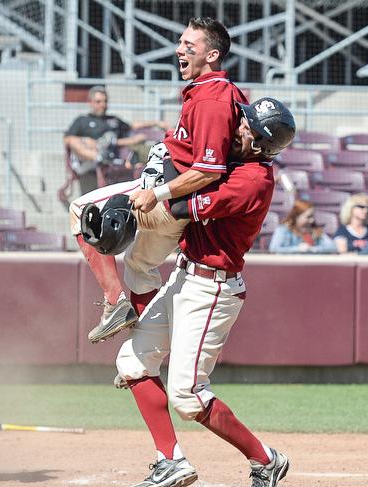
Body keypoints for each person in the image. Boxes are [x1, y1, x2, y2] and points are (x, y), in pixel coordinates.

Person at [115, 98, 294, 487]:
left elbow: (180, 206)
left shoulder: (252, 180)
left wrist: (153, 187)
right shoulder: (227, 159)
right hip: (184, 275)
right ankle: (170, 460)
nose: (240, 127)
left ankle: (266, 460)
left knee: (187, 395)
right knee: (132, 362)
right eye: (244, 120)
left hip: (212, 289)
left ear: (261, 144)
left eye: (249, 127)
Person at [69, 17, 248, 344]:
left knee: (81, 210)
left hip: (169, 195)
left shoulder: (212, 98)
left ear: (212, 55)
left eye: (189, 45)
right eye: (180, 43)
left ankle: (114, 303)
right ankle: (149, 343)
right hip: (179, 202)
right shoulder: (214, 91)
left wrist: (158, 193)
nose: (179, 50)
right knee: (138, 265)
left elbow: (209, 169)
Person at [64, 85, 169, 196]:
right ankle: (100, 157)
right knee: (74, 141)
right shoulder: (82, 120)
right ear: (90, 102)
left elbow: (133, 126)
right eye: (98, 102)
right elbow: (67, 139)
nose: (103, 105)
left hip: (113, 154)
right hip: (88, 159)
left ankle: (105, 157)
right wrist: (88, 141)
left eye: (105, 101)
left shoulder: (113, 120)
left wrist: (157, 123)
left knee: (147, 149)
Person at [269, 200, 336, 253]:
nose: (312, 220)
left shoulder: (314, 229)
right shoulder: (283, 230)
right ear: (296, 216)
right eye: (308, 217)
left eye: (312, 217)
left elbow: (333, 247)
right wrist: (297, 249)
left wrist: (312, 249)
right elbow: (273, 249)